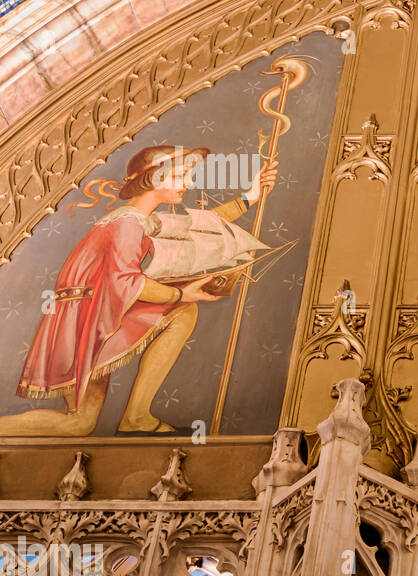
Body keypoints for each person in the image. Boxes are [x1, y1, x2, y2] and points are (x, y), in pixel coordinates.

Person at [0, 145, 276, 436]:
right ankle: (136, 416)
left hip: (93, 314)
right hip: (88, 321)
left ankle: (136, 417)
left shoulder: (138, 219)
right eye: (181, 175)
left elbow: (196, 227)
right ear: (156, 178)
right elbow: (127, 282)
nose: (188, 183)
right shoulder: (127, 224)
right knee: (182, 312)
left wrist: (249, 198)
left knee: (79, 424)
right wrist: (181, 294)